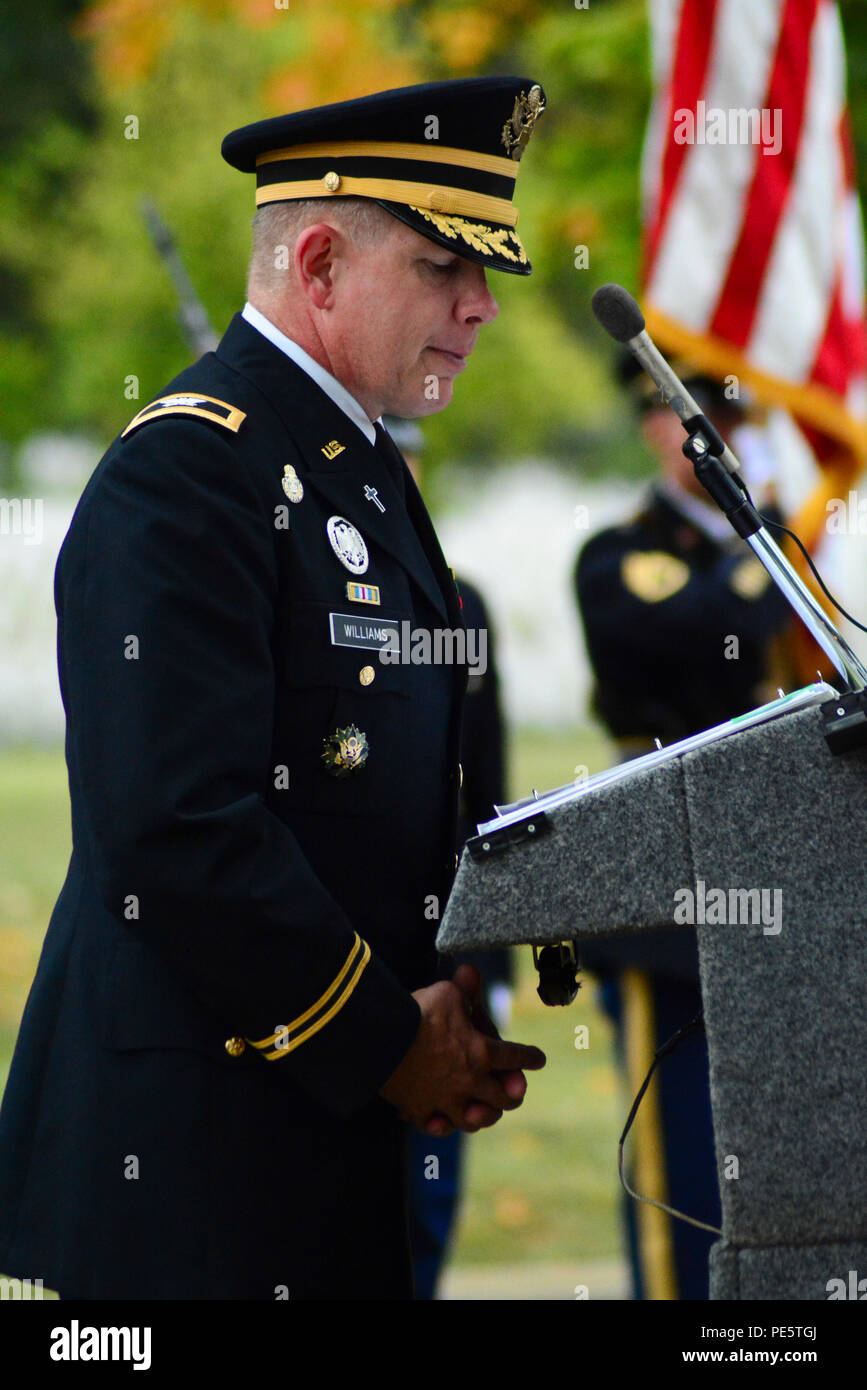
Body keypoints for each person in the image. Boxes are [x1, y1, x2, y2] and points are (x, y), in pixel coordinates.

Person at [0, 77, 548, 1301]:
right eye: (444, 265)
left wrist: (465, 965)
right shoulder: (191, 473)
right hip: (195, 1165)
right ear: (317, 261)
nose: (482, 306)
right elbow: (179, 830)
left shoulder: (347, 466)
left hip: (311, 1136)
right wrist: (389, 1042)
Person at [573, 358, 791, 1299]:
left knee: (789, 1162)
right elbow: (693, 635)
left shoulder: (778, 540)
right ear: (650, 428)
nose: (697, 435)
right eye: (674, 415)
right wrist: (760, 562)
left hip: (782, 875)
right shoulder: (615, 553)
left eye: (717, 417)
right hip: (667, 889)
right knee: (683, 1171)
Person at [384, 415, 513, 1298]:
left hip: (449, 936)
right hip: (351, 935)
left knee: (428, 1191)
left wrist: (494, 948)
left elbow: (488, 787)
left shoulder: (458, 599)